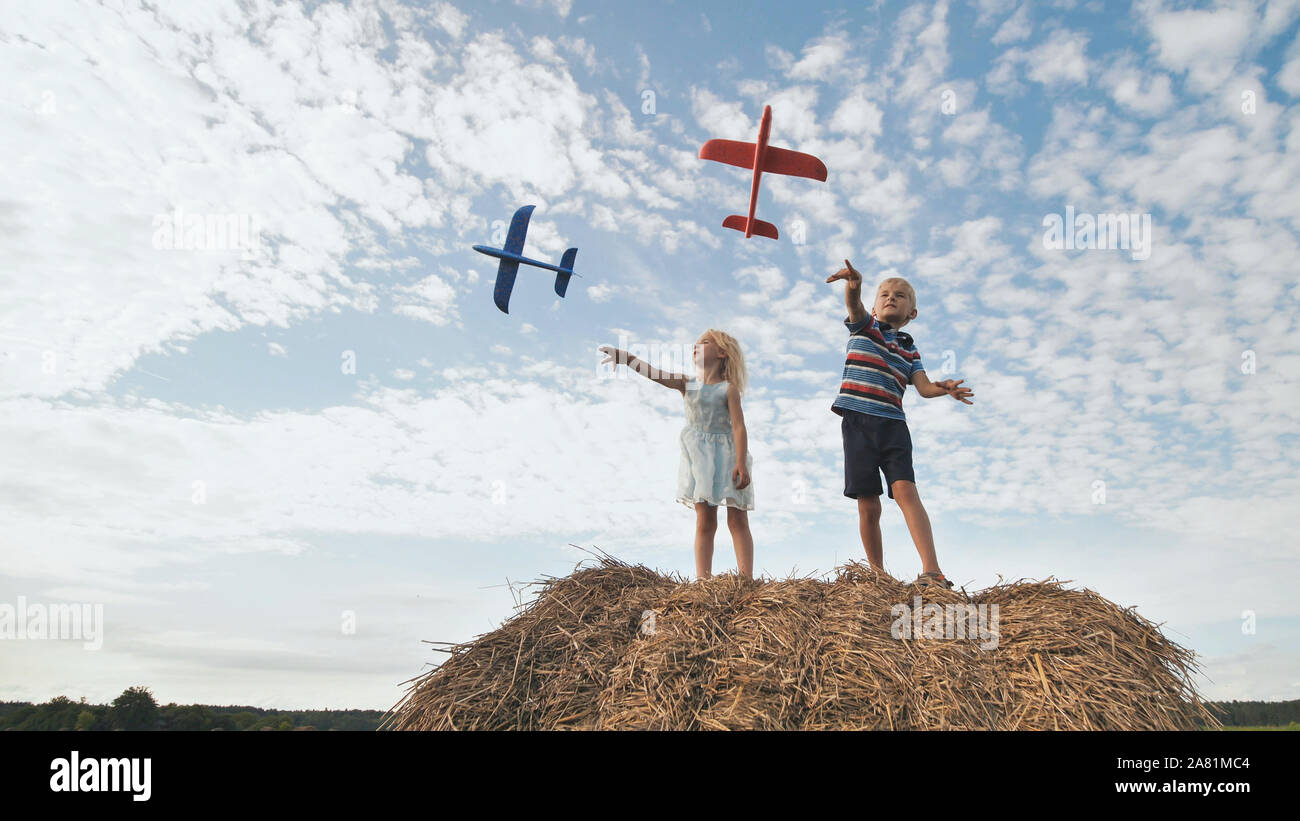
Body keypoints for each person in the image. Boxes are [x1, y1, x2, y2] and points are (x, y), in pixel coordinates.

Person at [825, 260, 974, 589]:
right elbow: (854, 304)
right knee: (868, 501)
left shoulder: (909, 348)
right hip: (858, 422)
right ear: (875, 306)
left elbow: (922, 387)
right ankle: (877, 575)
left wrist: (944, 388)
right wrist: (854, 285)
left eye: (901, 296)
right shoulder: (864, 327)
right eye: (885, 294)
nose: (892, 298)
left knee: (906, 490)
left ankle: (932, 570)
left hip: (893, 425)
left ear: (913, 313)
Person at [599, 330, 754, 580]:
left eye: (704, 343)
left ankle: (746, 579)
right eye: (695, 343)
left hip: (728, 458)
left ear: (722, 353)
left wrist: (740, 462)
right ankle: (703, 580)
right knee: (705, 520)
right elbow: (654, 373)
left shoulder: (729, 389)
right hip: (701, 462)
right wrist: (626, 358)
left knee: (737, 520)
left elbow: (738, 426)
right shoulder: (686, 383)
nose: (696, 346)